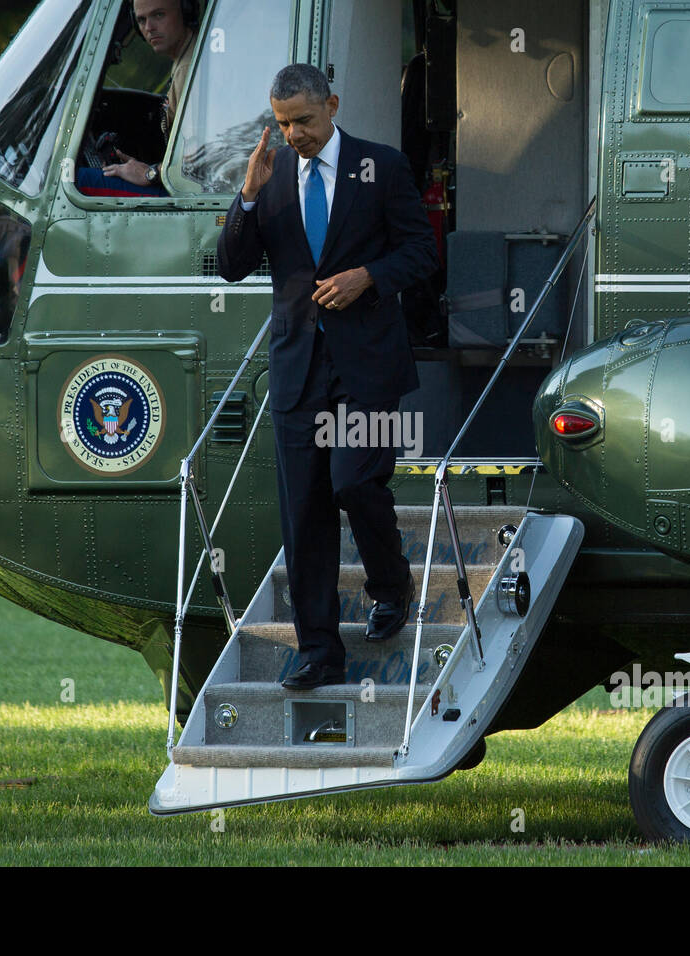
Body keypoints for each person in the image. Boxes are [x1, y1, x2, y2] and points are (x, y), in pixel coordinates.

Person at [216, 64, 439, 690]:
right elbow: (233, 267)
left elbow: (422, 252)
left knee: (354, 483)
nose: (294, 135)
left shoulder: (382, 167)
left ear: (332, 105)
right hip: (296, 369)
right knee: (303, 510)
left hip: (368, 364)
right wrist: (248, 198)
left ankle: (390, 584)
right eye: (283, 124)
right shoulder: (270, 171)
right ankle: (318, 651)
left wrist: (367, 276)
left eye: (304, 121)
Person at [82, 0, 200, 195]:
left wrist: (150, 174)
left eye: (159, 15)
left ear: (186, 11)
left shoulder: (189, 69)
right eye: (141, 20)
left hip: (193, 193)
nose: (149, 28)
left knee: (79, 180)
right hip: (189, 185)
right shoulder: (188, 56)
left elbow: (201, 157)